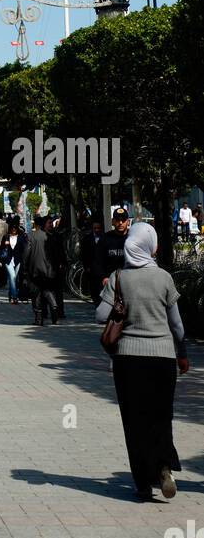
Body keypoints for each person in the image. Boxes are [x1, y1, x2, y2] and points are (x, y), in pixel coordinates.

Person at [96, 223, 188, 500]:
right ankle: (163, 467)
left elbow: (101, 316)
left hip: (127, 360)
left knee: (134, 419)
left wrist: (121, 307)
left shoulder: (119, 277)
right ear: (150, 245)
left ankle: (142, 483)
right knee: (161, 415)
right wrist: (182, 353)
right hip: (162, 358)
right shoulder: (164, 278)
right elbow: (177, 326)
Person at [22, 216, 58, 325]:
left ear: (34, 225)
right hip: (49, 269)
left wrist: (24, 267)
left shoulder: (30, 236)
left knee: (36, 292)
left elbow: (26, 253)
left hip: (35, 269)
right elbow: (54, 254)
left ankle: (39, 318)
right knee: (47, 289)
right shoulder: (49, 236)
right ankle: (54, 304)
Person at [94, 207, 131, 288]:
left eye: (123, 220)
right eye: (117, 220)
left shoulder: (132, 237)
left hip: (130, 282)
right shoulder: (105, 238)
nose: (120, 223)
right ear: (113, 221)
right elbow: (98, 261)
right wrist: (103, 277)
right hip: (109, 283)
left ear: (128, 222)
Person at [0, 218, 27, 303]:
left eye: (15, 228)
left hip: (17, 260)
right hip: (8, 260)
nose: (14, 230)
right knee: (12, 277)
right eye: (12, 228)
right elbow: (1, 249)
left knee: (13, 279)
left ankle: (10, 296)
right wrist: (4, 244)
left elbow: (24, 249)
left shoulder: (20, 238)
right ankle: (15, 297)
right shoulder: (6, 237)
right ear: (10, 229)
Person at [45, 215, 67, 320]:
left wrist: (63, 262)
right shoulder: (42, 236)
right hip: (45, 267)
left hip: (56, 266)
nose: (51, 225)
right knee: (46, 290)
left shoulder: (57, 236)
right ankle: (46, 311)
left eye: (51, 223)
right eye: (49, 223)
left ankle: (60, 311)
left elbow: (61, 250)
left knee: (58, 291)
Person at [81, 219, 105, 306]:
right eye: (95, 228)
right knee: (93, 289)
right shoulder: (87, 239)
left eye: (98, 228)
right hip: (91, 269)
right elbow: (83, 254)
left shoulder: (105, 238)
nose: (97, 230)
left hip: (103, 269)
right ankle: (97, 304)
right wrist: (87, 266)